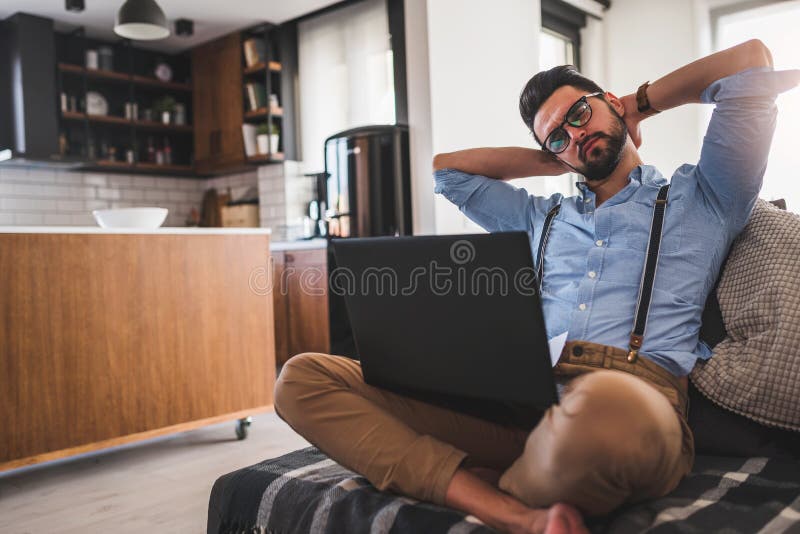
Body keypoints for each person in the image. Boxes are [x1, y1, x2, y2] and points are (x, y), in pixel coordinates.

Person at [274, 40, 799, 534]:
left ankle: (477, 477)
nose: (575, 133)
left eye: (580, 114)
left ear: (607, 102)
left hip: (633, 403)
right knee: (302, 379)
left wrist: (637, 105)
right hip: (520, 402)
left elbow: (751, 64)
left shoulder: (706, 196)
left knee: (601, 406)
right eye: (557, 136)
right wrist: (563, 153)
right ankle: (505, 506)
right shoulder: (540, 219)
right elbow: (447, 172)